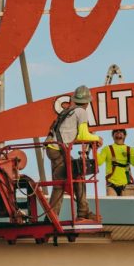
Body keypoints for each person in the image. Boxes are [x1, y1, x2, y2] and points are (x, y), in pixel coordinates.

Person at [47, 84, 101, 220]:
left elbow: (70, 134)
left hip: (54, 149)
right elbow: (83, 135)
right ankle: (82, 212)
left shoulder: (68, 111)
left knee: (61, 183)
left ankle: (52, 218)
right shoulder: (81, 112)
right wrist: (97, 138)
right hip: (59, 150)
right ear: (87, 102)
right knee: (77, 177)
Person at [98, 127, 134, 196]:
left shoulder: (130, 149)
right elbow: (99, 162)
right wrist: (95, 149)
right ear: (113, 135)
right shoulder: (107, 149)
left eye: (121, 131)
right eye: (116, 131)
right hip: (111, 184)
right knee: (112, 204)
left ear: (125, 135)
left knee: (124, 205)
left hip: (126, 185)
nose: (118, 132)